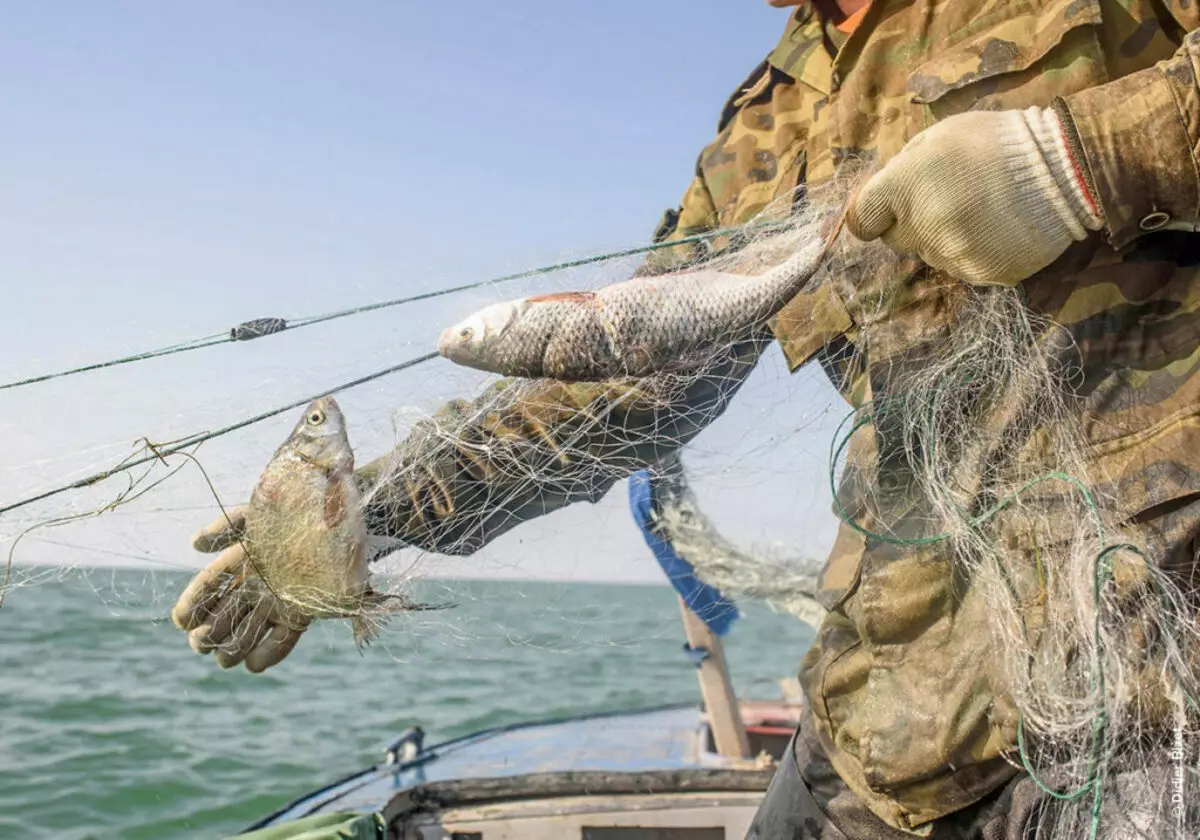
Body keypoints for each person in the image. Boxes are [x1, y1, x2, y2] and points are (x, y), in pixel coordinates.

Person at [173, 0, 1200, 836]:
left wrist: (1077, 163)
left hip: (1158, 685)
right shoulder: (766, 117)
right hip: (894, 700)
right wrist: (375, 507)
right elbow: (632, 380)